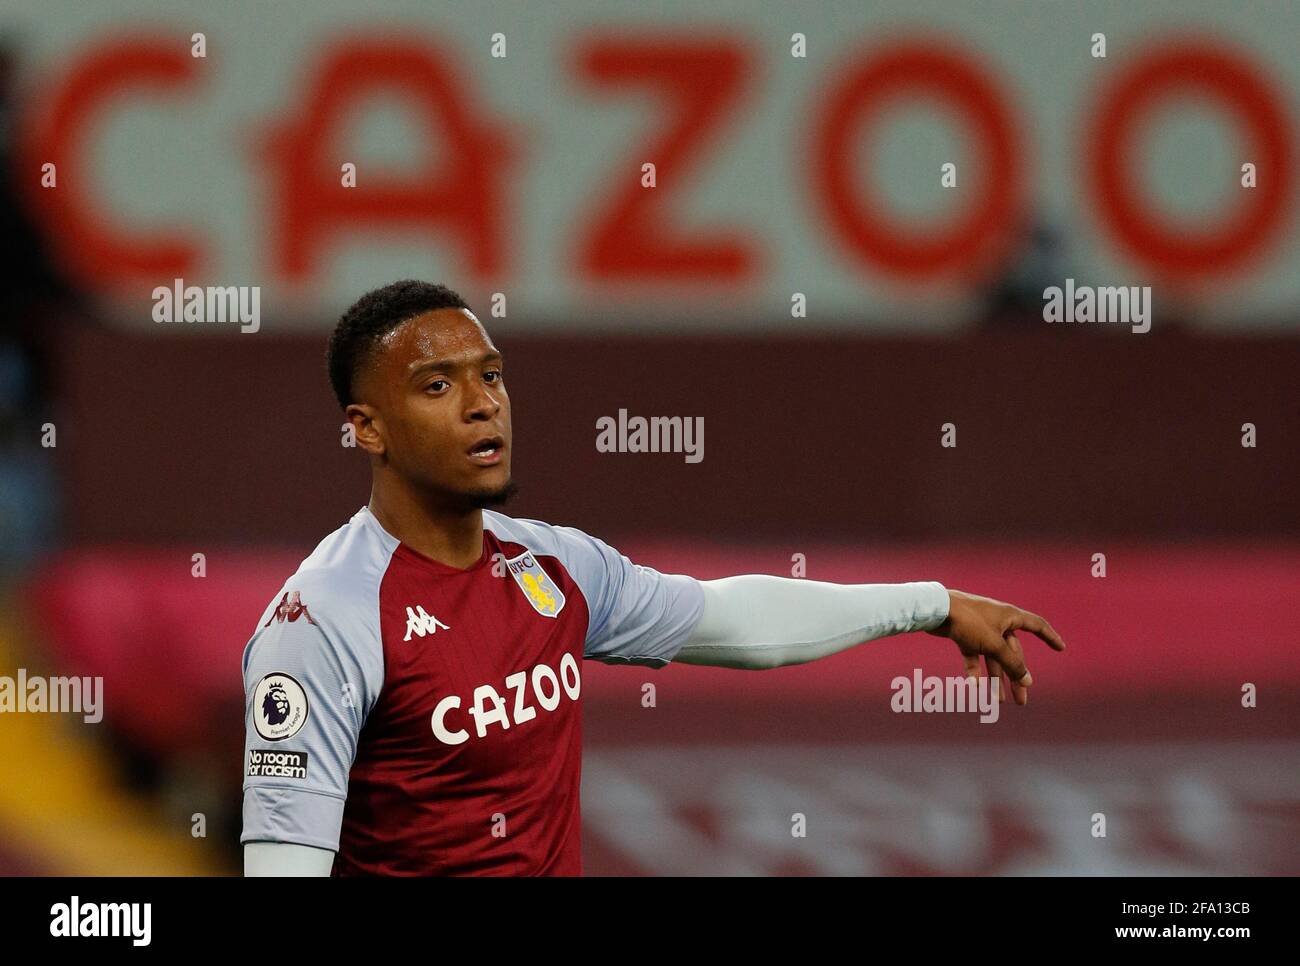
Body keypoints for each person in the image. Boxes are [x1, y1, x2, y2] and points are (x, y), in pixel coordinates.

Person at [241, 280, 1065, 876]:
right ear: (368, 430)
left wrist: (932, 604)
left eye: (489, 375)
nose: (482, 404)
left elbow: (733, 621)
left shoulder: (553, 568)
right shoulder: (322, 622)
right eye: (436, 385)